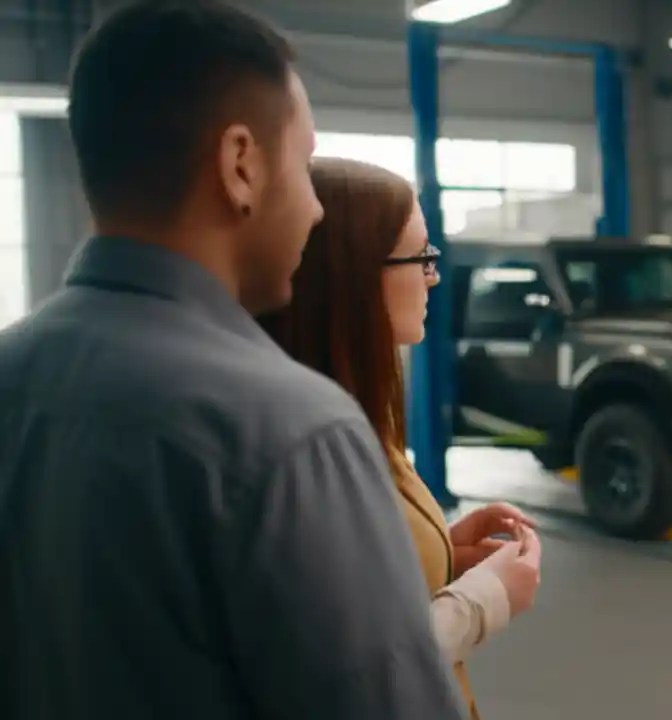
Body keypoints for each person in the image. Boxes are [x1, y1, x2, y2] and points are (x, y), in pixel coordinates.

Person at [0, 2, 465, 719]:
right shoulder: (287, 429)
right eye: (305, 166)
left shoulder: (15, 371)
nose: (314, 209)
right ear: (240, 164)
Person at [256, 156, 544, 719]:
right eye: (422, 259)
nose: (434, 277)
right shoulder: (300, 445)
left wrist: (439, 555)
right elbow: (333, 680)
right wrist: (483, 603)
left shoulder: (361, 416)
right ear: (353, 276)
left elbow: (347, 594)